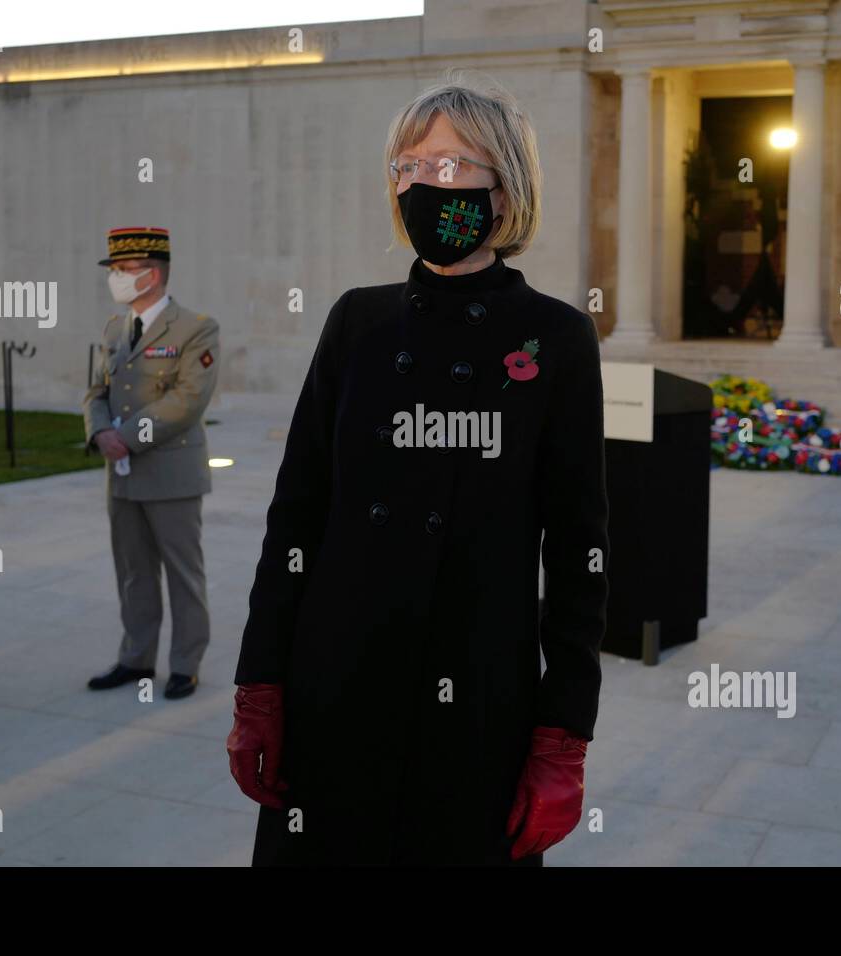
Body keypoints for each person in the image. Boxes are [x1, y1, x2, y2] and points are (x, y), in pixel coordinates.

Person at [226, 75, 610, 865]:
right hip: (334, 684)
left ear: (504, 191)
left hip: (474, 702)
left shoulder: (556, 338)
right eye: (409, 166)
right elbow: (296, 512)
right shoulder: (357, 321)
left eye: (450, 165)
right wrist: (260, 682)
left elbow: (579, 552)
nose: (423, 184)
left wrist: (562, 735)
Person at [83, 227, 220, 700]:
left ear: (153, 273)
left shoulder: (196, 327)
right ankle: (135, 659)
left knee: (183, 574)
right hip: (121, 477)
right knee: (133, 572)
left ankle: (185, 664)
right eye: (116, 271)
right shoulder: (113, 329)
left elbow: (187, 401)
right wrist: (98, 431)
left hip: (169, 473)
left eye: (125, 270)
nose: (117, 279)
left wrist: (122, 437)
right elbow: (97, 392)